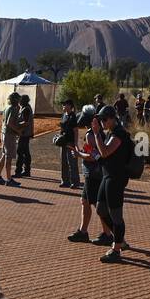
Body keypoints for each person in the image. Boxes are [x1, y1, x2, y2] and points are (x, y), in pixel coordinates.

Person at [88, 105, 131, 264]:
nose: (102, 122)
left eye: (104, 119)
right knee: (100, 208)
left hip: (116, 178)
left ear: (113, 118)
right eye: (101, 119)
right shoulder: (111, 132)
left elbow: (105, 151)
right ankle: (120, 240)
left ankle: (117, 249)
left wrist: (97, 133)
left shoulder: (119, 134)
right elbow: (104, 155)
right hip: (107, 176)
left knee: (116, 215)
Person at [66, 109, 112, 245]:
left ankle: (107, 234)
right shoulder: (94, 134)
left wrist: (79, 155)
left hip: (94, 174)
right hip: (92, 173)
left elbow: (94, 157)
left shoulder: (92, 135)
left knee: (97, 205)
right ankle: (83, 231)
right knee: (85, 202)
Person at [0, 91, 23, 186]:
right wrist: (18, 131)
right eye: (19, 99)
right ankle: (9, 179)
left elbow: (4, 121)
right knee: (9, 157)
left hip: (4, 133)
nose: (20, 101)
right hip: (9, 135)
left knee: (4, 155)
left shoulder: (7, 107)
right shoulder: (13, 108)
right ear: (16, 100)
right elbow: (9, 123)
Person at [57, 99, 80, 188]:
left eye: (65, 104)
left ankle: (75, 182)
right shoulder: (63, 115)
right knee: (63, 162)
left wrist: (75, 143)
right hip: (63, 142)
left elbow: (75, 130)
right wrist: (59, 136)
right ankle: (65, 181)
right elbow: (62, 128)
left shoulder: (72, 116)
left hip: (70, 142)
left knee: (72, 162)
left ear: (70, 106)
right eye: (63, 104)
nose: (63, 106)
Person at [13, 93, 34, 178]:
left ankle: (18, 171)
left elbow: (25, 122)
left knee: (20, 152)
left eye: (20, 100)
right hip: (26, 133)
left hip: (24, 133)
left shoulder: (26, 109)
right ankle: (26, 170)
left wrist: (17, 125)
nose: (19, 102)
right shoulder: (26, 108)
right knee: (26, 152)